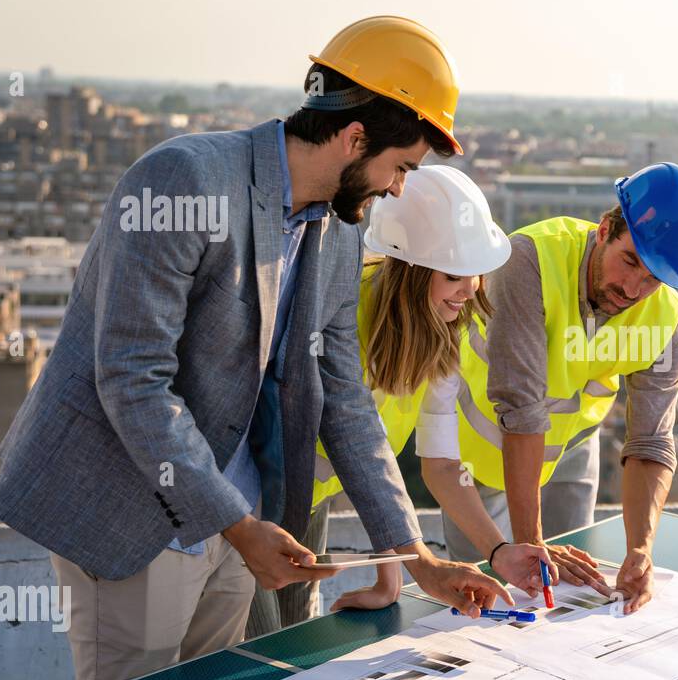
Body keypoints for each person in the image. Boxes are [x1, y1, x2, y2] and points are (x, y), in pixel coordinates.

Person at [0, 15, 513, 680]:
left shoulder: (337, 230)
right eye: (400, 167)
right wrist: (236, 524)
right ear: (355, 138)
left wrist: (417, 558)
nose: (397, 189)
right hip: (135, 511)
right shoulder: (184, 182)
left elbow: (345, 401)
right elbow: (132, 381)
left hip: (238, 522)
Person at [247, 166, 608, 634]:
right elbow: (355, 441)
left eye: (476, 273)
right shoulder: (342, 318)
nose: (471, 289)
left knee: (290, 638)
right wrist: (404, 565)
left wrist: (494, 553)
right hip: (251, 506)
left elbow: (435, 464)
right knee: (253, 643)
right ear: (409, 270)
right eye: (456, 273)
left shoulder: (444, 332)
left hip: (308, 504)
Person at [445, 162, 678, 613]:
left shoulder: (667, 319)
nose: (632, 289)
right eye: (629, 261)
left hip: (571, 450)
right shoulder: (528, 261)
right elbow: (522, 409)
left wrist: (640, 549)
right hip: (480, 458)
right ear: (605, 229)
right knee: (486, 607)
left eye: (654, 278)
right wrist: (531, 542)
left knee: (574, 599)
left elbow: (651, 440)